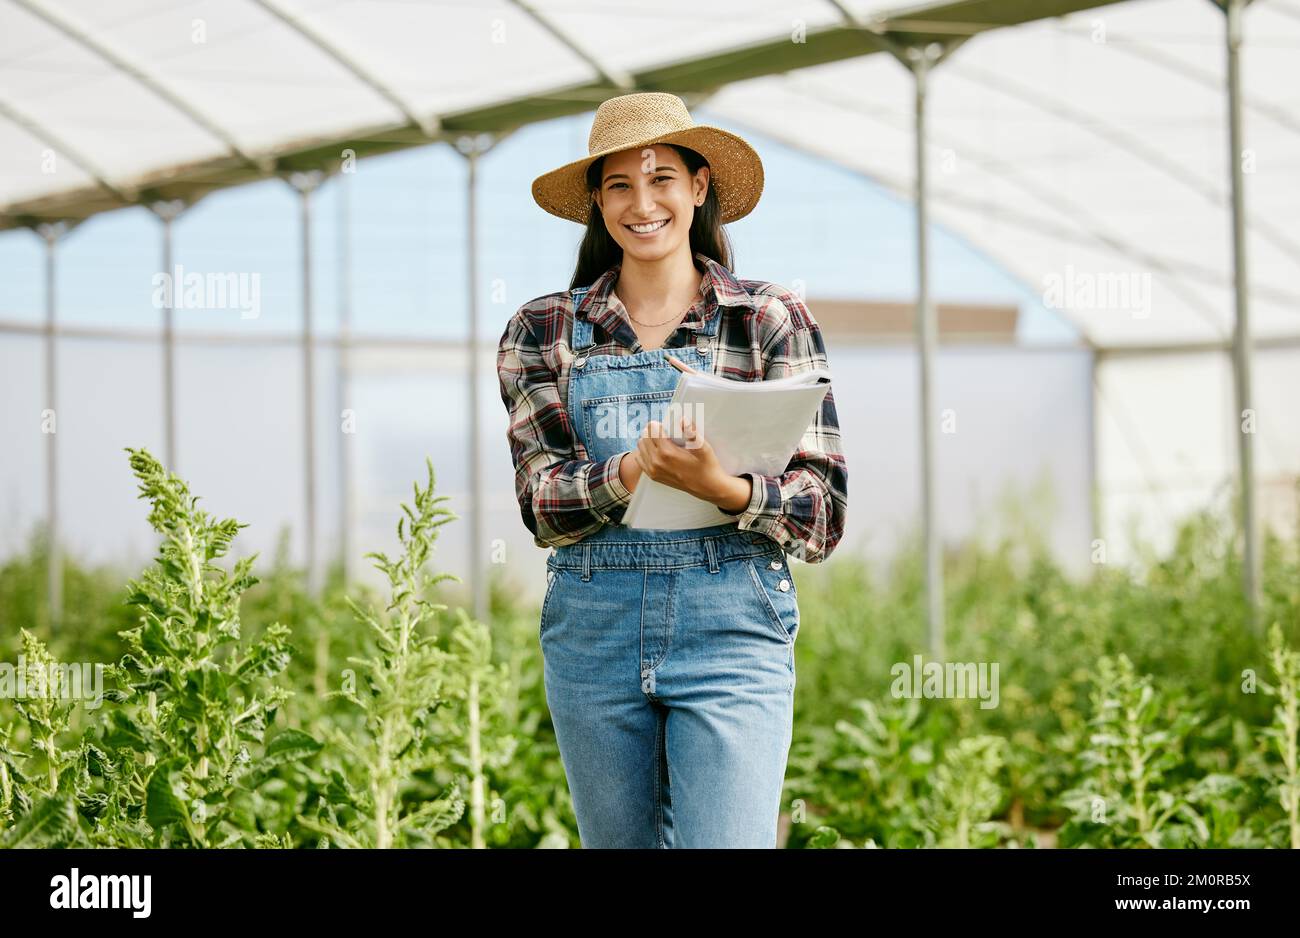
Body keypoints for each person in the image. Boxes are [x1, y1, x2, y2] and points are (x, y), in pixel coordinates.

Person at [496, 91, 848, 847]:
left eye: (662, 180)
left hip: (733, 624)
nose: (642, 203)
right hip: (596, 628)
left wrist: (725, 490)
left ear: (699, 187)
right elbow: (541, 505)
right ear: (596, 201)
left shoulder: (767, 317)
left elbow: (823, 513)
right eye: (619, 184)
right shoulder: (543, 329)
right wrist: (629, 474)